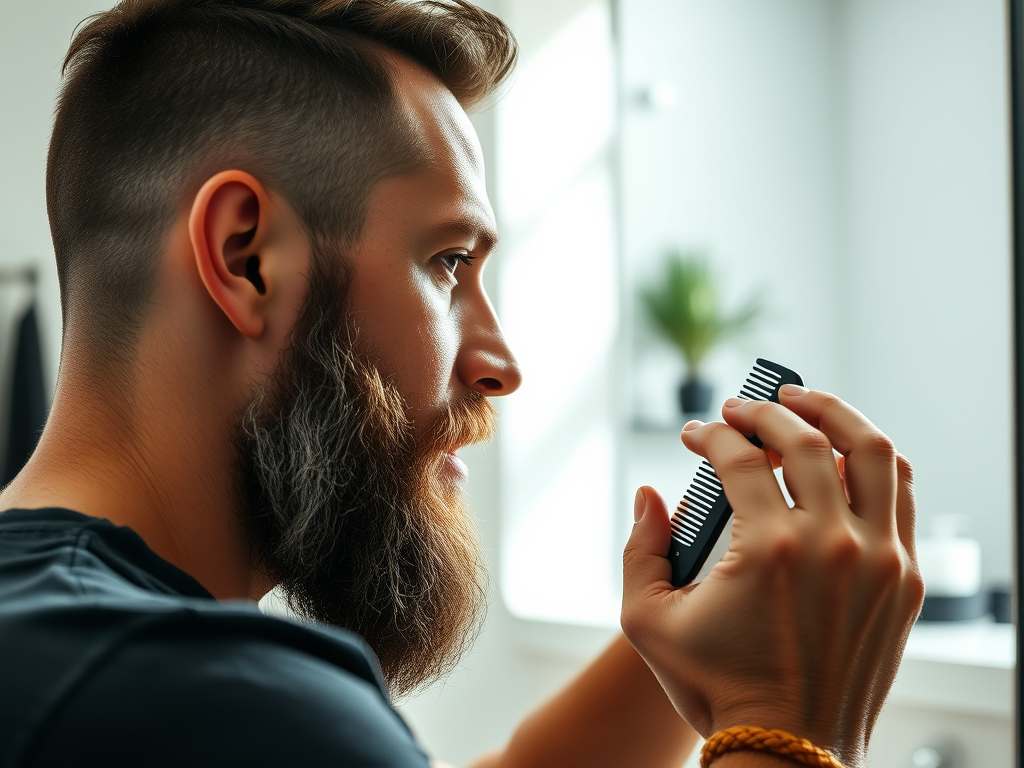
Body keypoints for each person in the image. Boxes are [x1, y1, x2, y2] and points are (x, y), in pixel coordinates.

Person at [0, 1, 924, 767]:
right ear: (248, 259)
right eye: (448, 262)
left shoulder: (71, 652)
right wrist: (789, 722)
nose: (501, 365)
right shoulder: (208, 695)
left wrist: (702, 643)